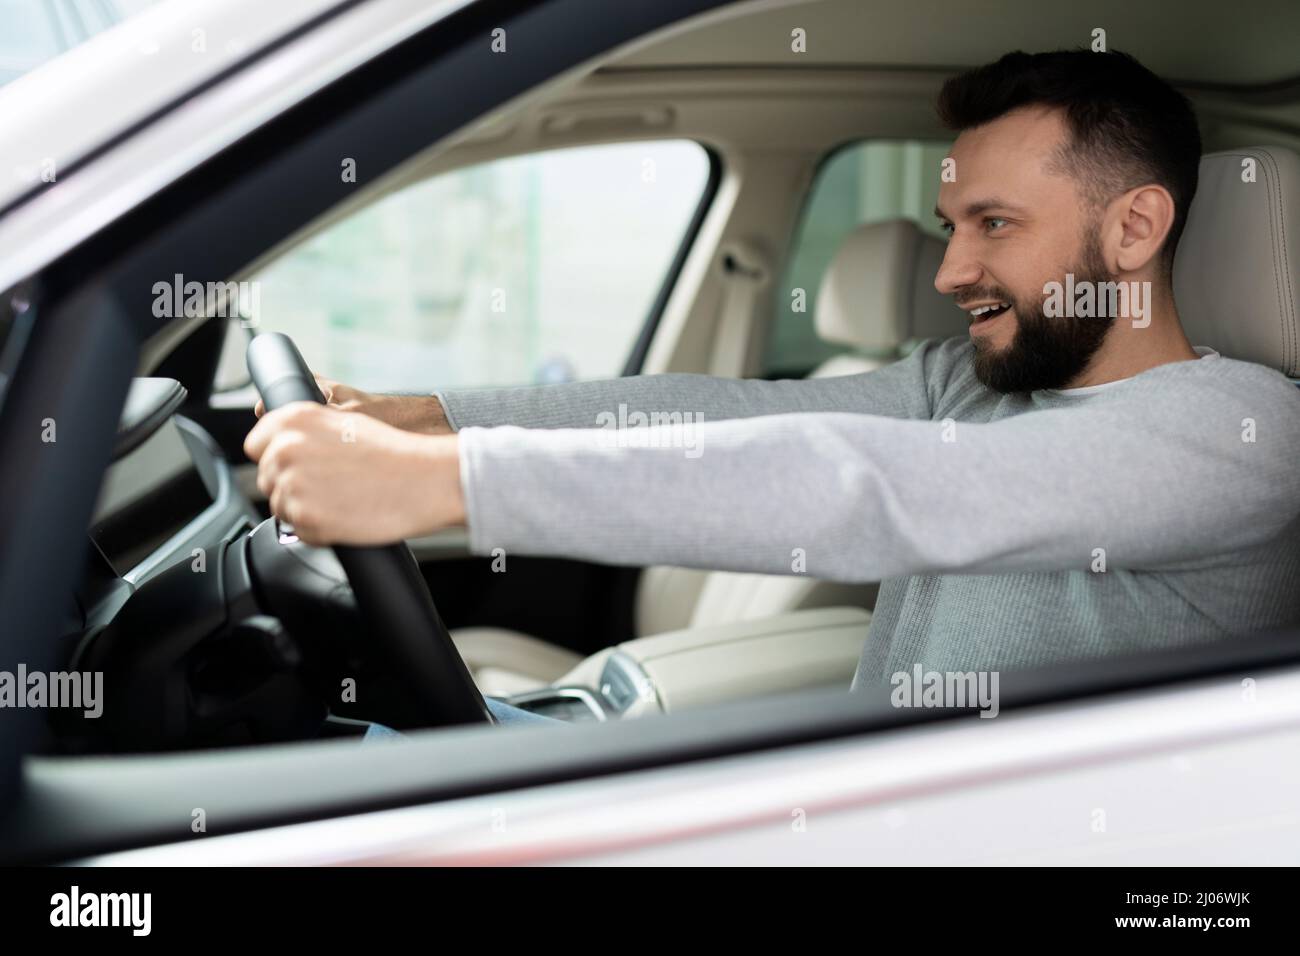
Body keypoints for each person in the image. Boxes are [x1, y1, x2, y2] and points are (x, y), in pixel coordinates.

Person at [245, 50, 1300, 715]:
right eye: (950, 225)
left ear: (1134, 228)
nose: (947, 271)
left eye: (995, 225)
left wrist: (449, 481)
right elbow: (732, 415)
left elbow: (874, 485)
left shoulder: (1238, 430)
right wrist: (426, 418)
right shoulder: (976, 384)